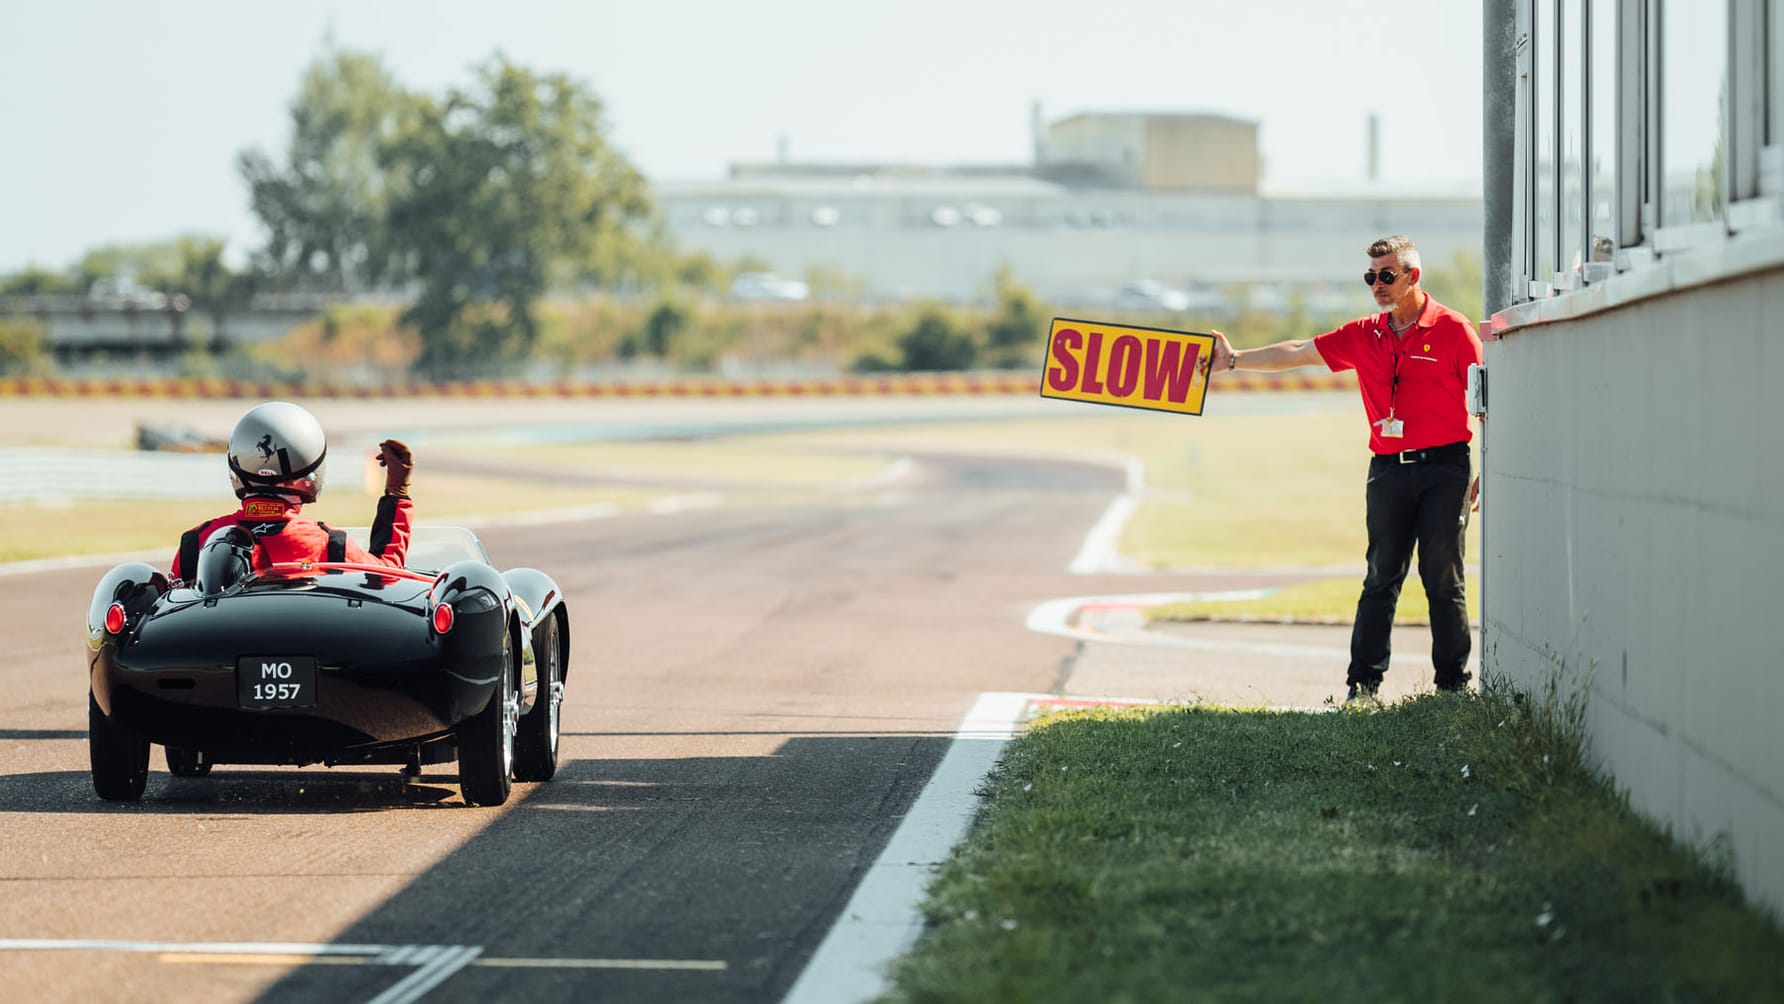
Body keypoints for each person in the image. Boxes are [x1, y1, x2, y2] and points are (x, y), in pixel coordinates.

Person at [1206, 235, 1483, 704]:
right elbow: (1297, 352)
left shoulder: (1454, 330)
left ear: (1413, 277)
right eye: (1371, 277)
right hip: (1388, 471)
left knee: (1442, 576)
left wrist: (1487, 470)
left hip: (1445, 469)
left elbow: (1488, 403)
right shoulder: (1364, 334)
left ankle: (1453, 688)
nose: (1377, 284)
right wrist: (1233, 361)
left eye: (1387, 275)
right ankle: (1363, 688)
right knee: (1380, 576)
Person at [169, 401, 414, 580]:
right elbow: (388, 575)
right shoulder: (329, 545)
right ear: (311, 467)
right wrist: (397, 493)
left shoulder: (196, 543)